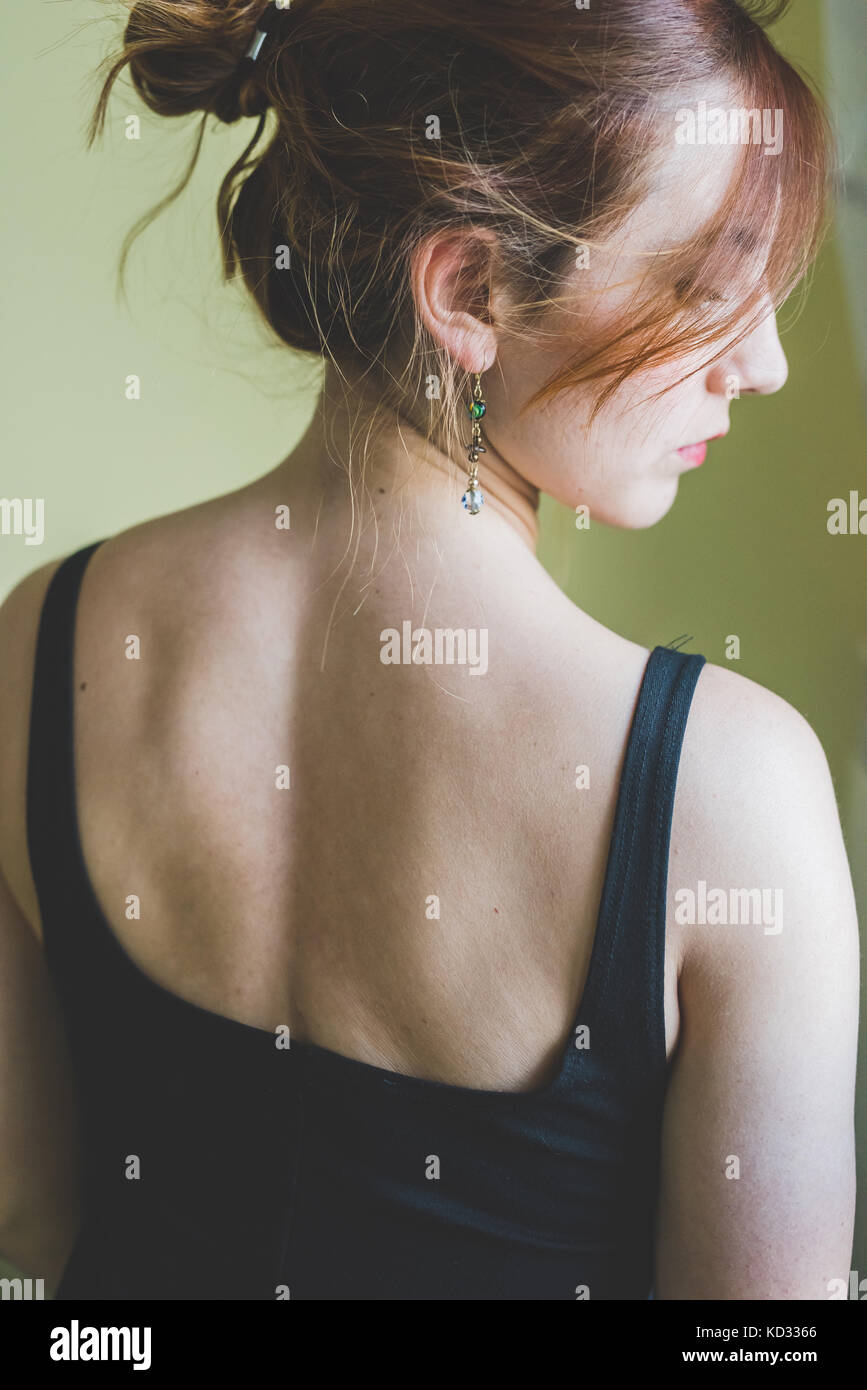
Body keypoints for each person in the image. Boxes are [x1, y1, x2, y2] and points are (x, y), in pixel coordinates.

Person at [0, 0, 858, 1300]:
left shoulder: (38, 640)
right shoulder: (730, 794)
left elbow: (31, 1204)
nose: (769, 364)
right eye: (705, 284)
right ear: (470, 289)